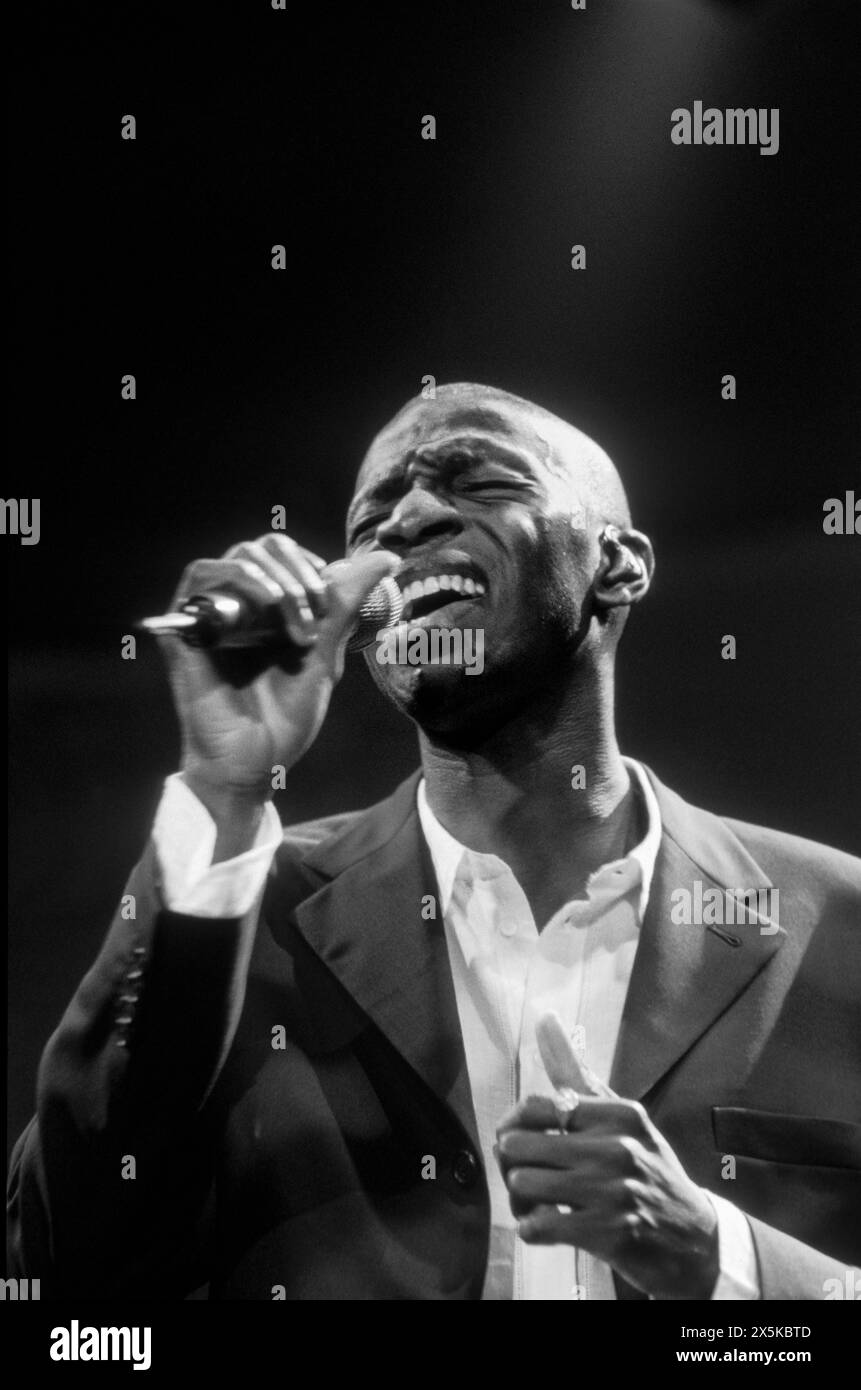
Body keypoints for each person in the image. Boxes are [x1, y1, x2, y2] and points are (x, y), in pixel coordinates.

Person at [8, 384, 861, 1300]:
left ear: (618, 565)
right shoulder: (240, 911)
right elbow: (65, 1273)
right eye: (371, 518)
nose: (406, 520)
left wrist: (722, 1258)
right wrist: (224, 786)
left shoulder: (834, 924)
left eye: (479, 481)